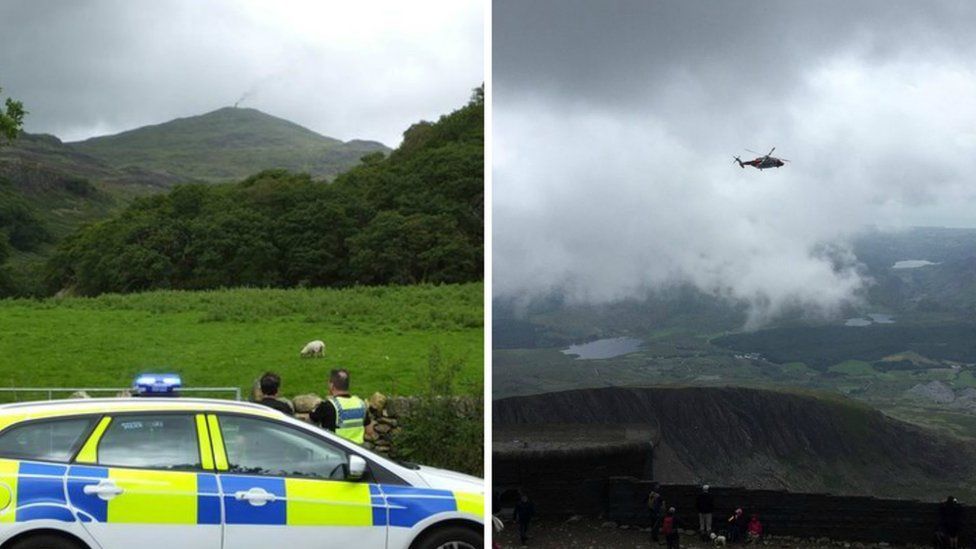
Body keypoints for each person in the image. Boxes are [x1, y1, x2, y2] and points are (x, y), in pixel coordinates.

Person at [310, 368, 373, 443]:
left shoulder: (328, 406)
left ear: (331, 385)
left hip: (337, 450)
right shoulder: (361, 404)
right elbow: (369, 431)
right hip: (357, 450)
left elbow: (311, 419)